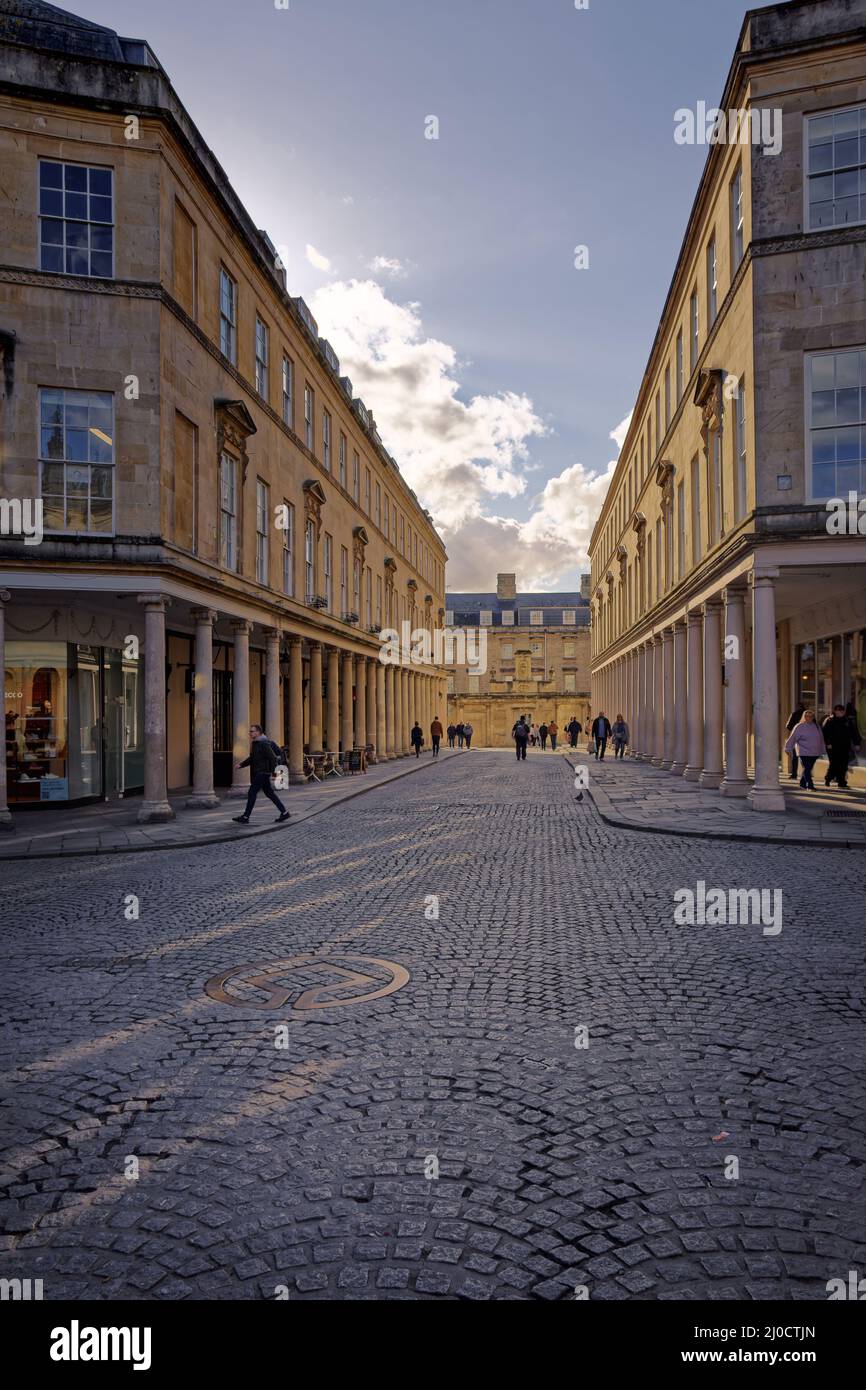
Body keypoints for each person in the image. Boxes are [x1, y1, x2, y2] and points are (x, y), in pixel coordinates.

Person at [232, 724, 290, 824]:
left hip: (262, 772)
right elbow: (252, 758)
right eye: (250, 731)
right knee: (269, 793)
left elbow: (272, 758)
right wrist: (241, 765)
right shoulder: (256, 743)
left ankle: (246, 817)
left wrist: (273, 772)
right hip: (262, 772)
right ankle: (284, 812)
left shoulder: (263, 743)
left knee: (252, 792)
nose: (250, 733)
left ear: (258, 732)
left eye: (252, 731)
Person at [784, 709, 825, 790]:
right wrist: (788, 748)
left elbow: (821, 739)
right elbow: (793, 738)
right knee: (807, 768)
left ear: (813, 717)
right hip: (803, 752)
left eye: (811, 716)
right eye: (807, 716)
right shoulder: (799, 726)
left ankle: (802, 783)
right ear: (804, 717)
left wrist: (822, 749)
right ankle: (809, 785)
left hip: (814, 752)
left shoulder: (816, 726)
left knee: (808, 768)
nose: (809, 718)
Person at [822, 704, 853, 788]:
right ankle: (828, 779)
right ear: (835, 711)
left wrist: (856, 743)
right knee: (834, 764)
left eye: (841, 711)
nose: (840, 712)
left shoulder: (847, 721)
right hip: (832, 746)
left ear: (844, 712)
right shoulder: (829, 720)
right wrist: (828, 743)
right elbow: (825, 733)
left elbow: (854, 732)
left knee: (843, 764)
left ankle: (841, 782)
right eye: (838, 711)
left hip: (844, 746)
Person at [785, 704, 805, 780]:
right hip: (806, 737)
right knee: (805, 756)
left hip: (796, 737)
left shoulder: (794, 714)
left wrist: (794, 729)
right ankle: (805, 773)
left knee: (795, 757)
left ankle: (794, 774)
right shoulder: (809, 715)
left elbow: (788, 726)